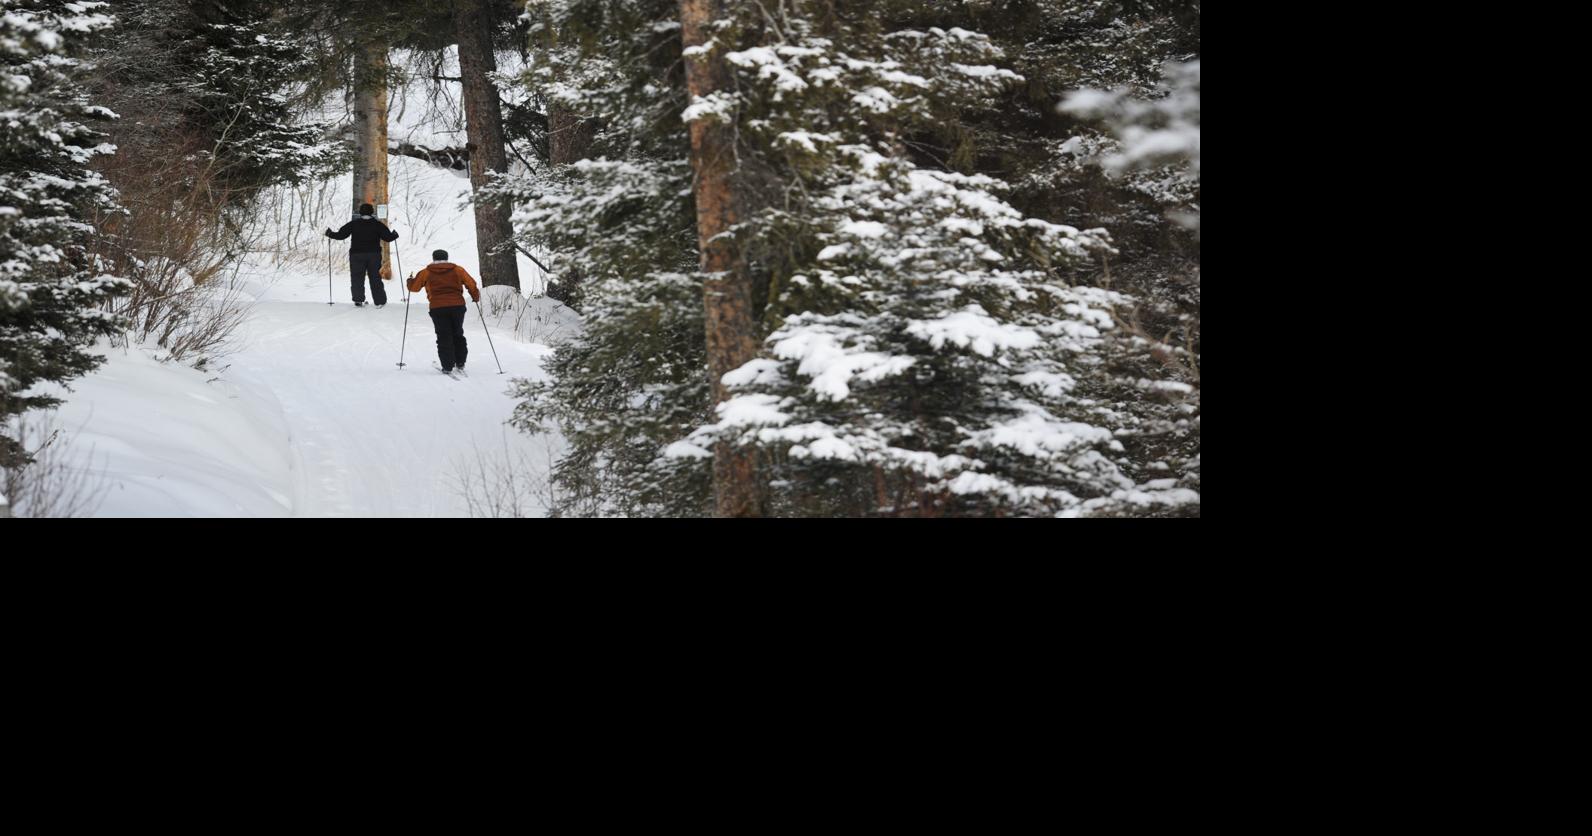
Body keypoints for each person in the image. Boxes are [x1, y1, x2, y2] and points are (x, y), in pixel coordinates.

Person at [407, 249, 481, 375]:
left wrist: (410, 280)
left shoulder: (426, 272)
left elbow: (414, 288)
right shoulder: (458, 270)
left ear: (433, 258)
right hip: (458, 306)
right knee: (458, 332)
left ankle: (447, 366)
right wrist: (475, 296)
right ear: (447, 258)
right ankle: (460, 361)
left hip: (438, 307)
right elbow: (471, 283)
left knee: (443, 335)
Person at [325, 203, 399, 307]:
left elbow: (341, 235)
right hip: (374, 255)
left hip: (357, 255)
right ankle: (380, 301)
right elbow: (388, 238)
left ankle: (358, 300)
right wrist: (394, 235)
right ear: (372, 212)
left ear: (360, 212)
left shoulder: (354, 224)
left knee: (357, 277)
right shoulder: (377, 224)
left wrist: (330, 234)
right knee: (375, 277)